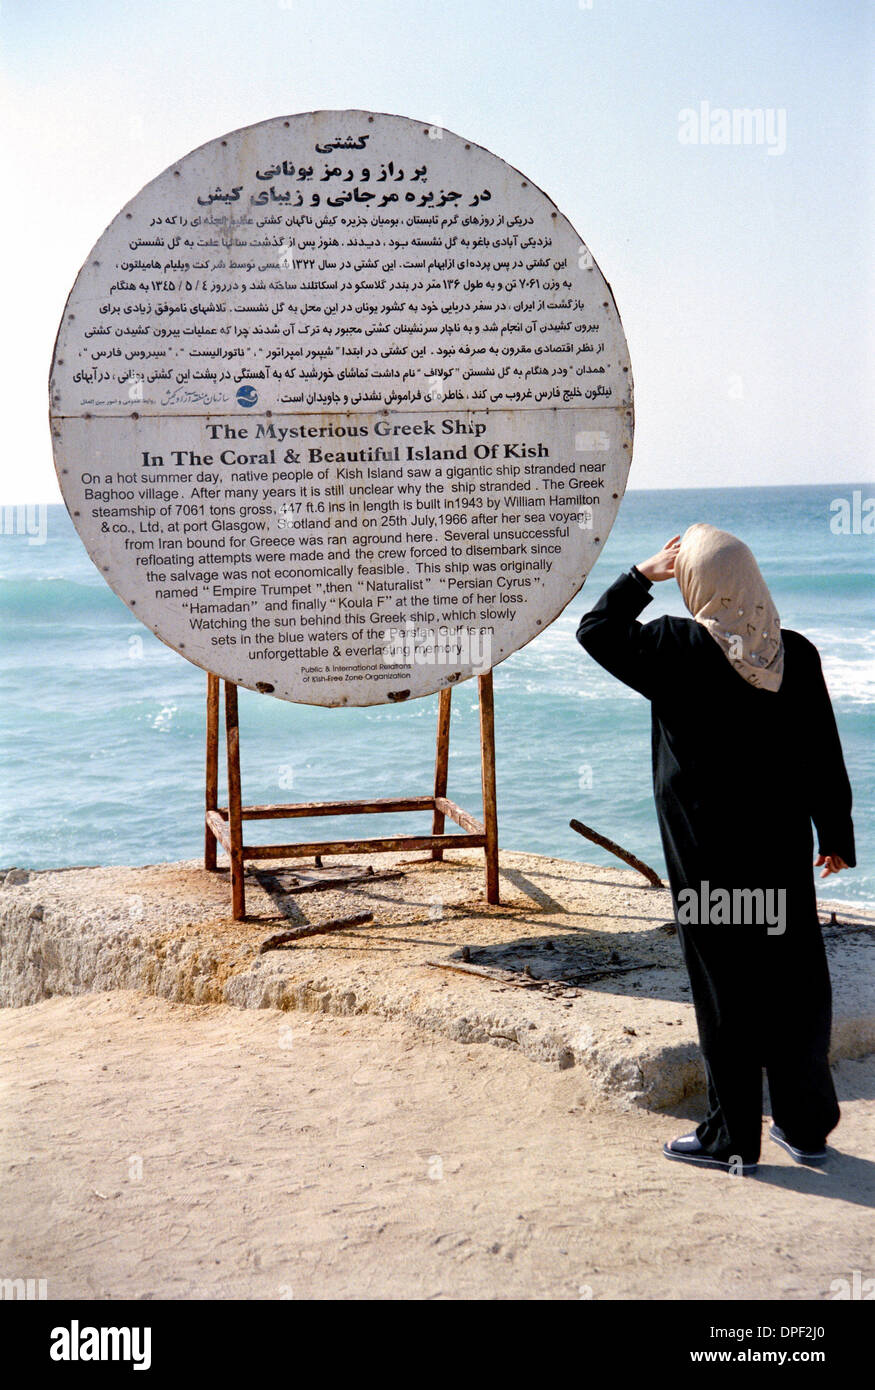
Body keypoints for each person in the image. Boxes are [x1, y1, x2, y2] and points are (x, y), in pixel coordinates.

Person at [575, 523, 855, 1174]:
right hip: (781, 854)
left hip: (709, 859)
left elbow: (596, 631)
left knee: (726, 990)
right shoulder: (795, 654)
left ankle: (732, 1136)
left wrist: (641, 576)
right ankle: (805, 1126)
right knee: (794, 986)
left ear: (698, 581)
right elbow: (821, 752)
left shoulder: (675, 646)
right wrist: (834, 834)